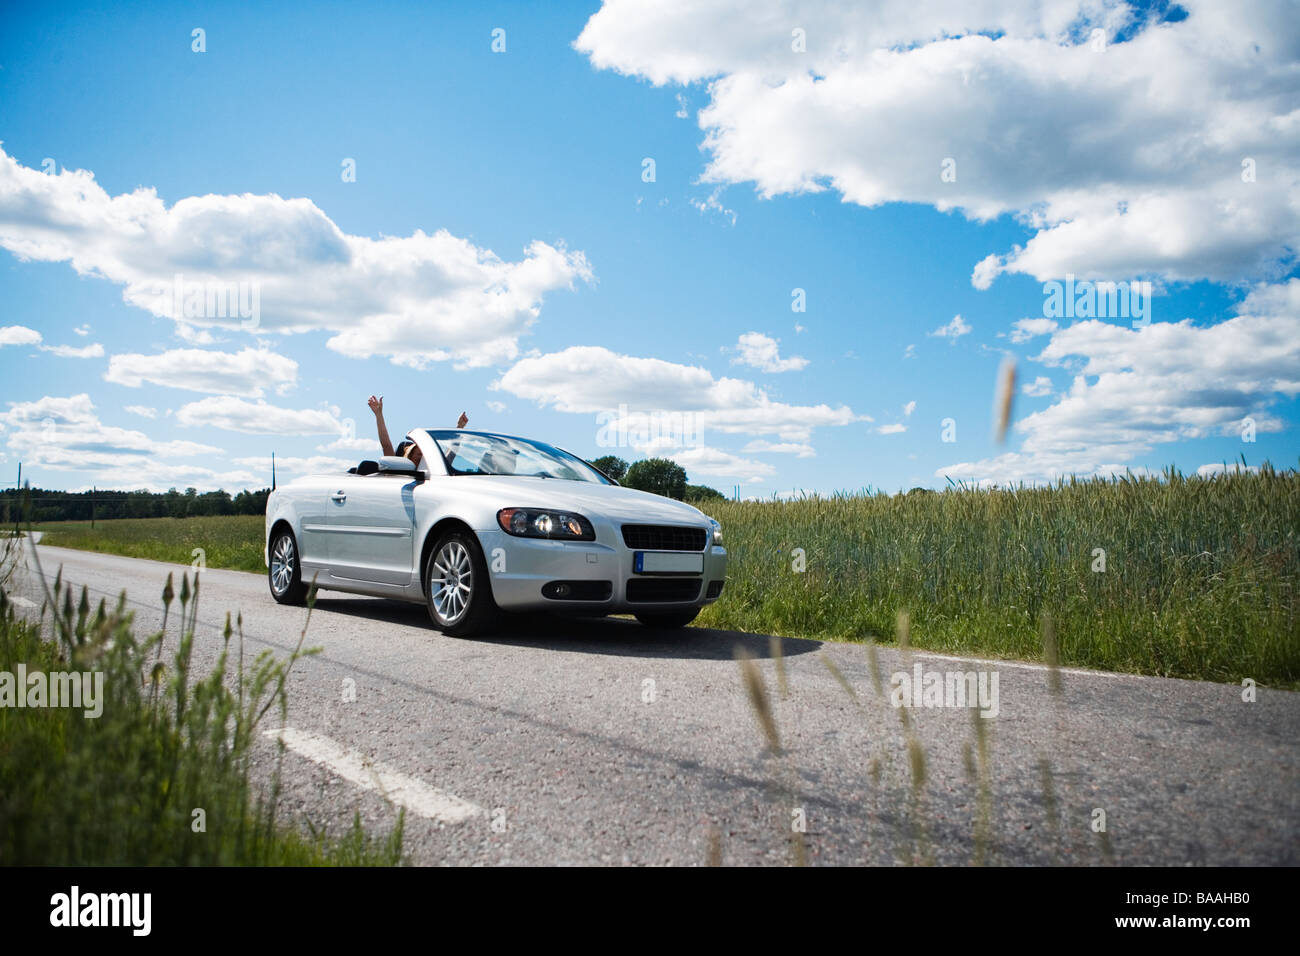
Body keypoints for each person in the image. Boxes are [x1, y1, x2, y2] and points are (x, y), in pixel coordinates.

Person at [368, 395, 468, 469]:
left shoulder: (433, 475)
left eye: (423, 455)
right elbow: (386, 445)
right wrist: (378, 415)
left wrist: (459, 428)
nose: (421, 458)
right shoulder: (396, 469)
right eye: (418, 454)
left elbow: (450, 455)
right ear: (409, 455)